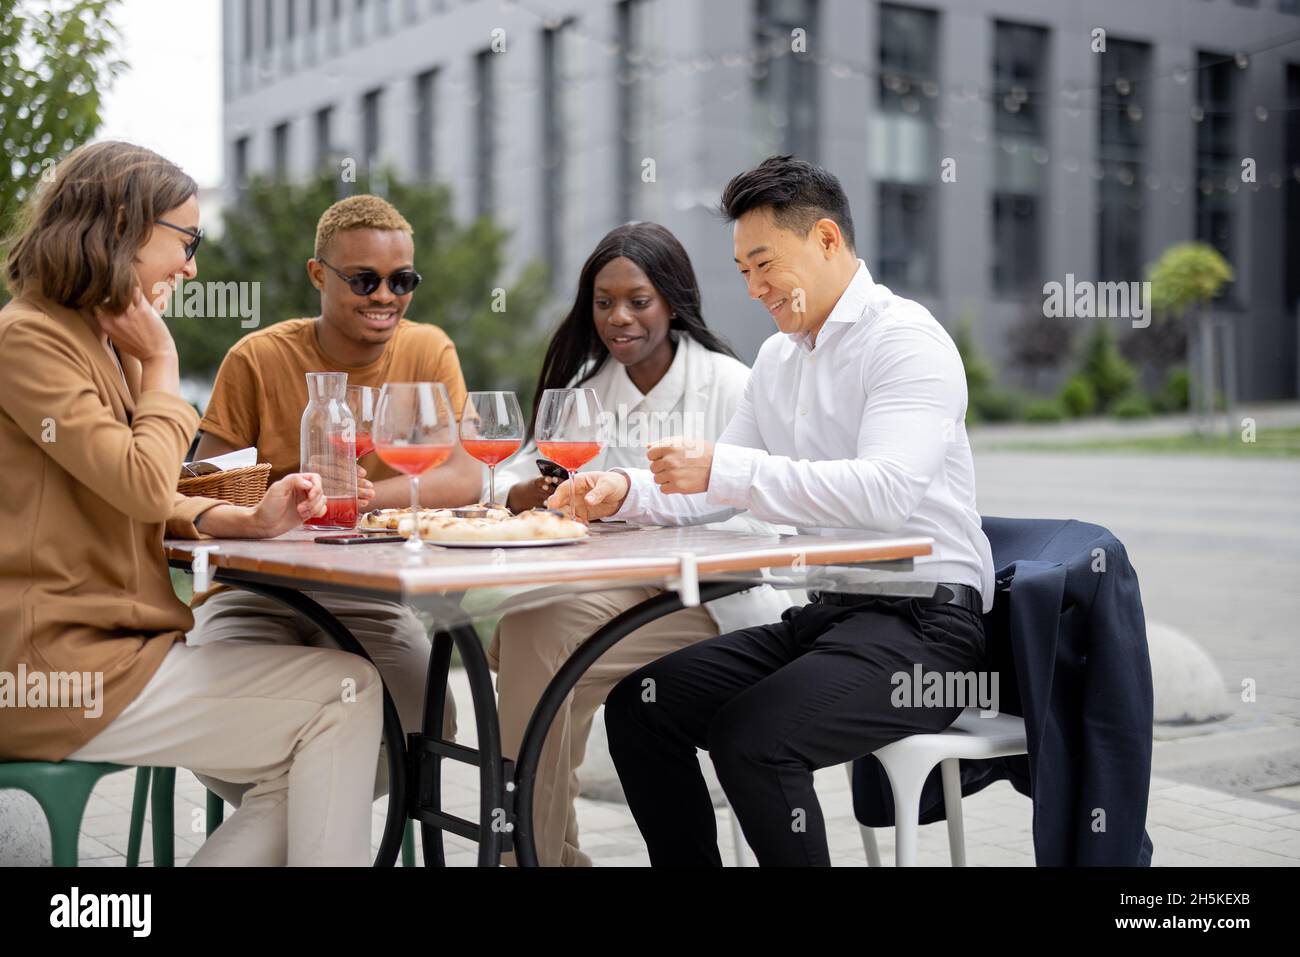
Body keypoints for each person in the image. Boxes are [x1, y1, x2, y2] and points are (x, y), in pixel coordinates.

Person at [550, 156, 996, 866]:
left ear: (825, 240)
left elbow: (886, 491)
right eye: (742, 270)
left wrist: (723, 468)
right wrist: (625, 491)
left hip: (924, 625)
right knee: (642, 704)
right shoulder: (780, 358)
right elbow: (715, 485)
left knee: (752, 738)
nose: (753, 288)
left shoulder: (906, 341)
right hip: (831, 616)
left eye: (764, 264)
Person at [0, 140, 382, 865]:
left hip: (102, 653)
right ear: (121, 223)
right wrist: (163, 363)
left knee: (316, 745)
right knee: (349, 695)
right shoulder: (31, 341)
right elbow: (141, 480)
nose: (193, 265)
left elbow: (121, 485)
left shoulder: (83, 336)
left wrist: (237, 517)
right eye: (187, 239)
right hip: (53, 670)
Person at [488, 222, 798, 866]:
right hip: (619, 591)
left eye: (638, 300)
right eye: (603, 303)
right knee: (529, 633)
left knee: (544, 662)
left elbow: (761, 510)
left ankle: (530, 855)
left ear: (673, 301)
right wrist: (520, 492)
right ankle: (540, 853)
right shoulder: (586, 387)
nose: (618, 318)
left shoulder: (729, 383)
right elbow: (515, 471)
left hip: (713, 599)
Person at [188, 195, 472, 802]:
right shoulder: (259, 358)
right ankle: (316, 833)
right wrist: (283, 503)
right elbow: (202, 487)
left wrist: (361, 500)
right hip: (253, 590)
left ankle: (300, 826)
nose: (385, 296)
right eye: (364, 279)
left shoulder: (426, 351)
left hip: (366, 596)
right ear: (319, 275)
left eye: (402, 280)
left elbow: (467, 474)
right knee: (217, 730)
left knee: (429, 718)